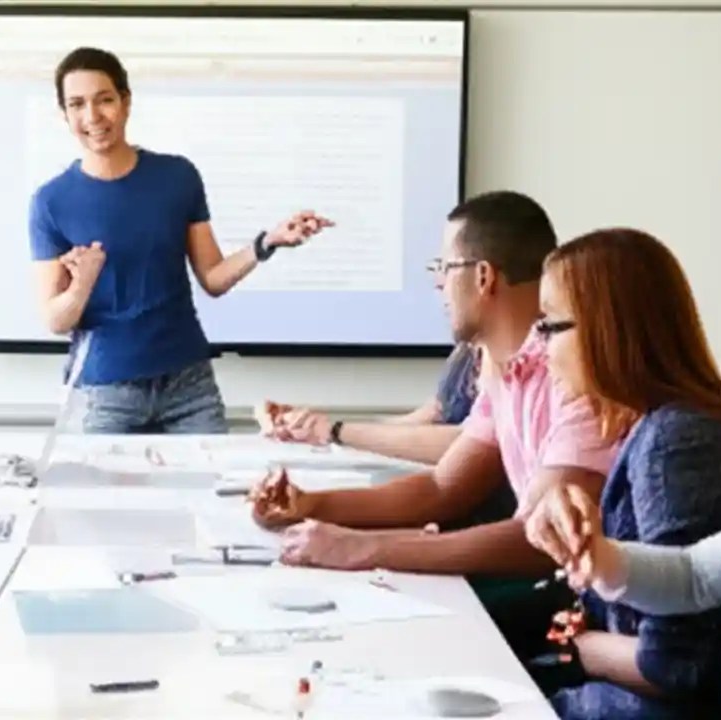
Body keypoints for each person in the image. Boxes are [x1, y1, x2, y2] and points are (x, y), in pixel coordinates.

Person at [249, 190, 618, 579]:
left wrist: (362, 547)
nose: (438, 283)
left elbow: (541, 542)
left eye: (444, 266)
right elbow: (442, 489)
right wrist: (309, 505)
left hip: (570, 594)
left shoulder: (574, 377)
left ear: (483, 276)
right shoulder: (506, 369)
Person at [31, 46, 330, 434]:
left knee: (214, 491)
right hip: (104, 391)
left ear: (125, 102)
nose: (92, 116)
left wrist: (267, 242)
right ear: (64, 114)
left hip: (189, 386)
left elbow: (213, 278)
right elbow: (55, 319)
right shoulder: (51, 201)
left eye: (104, 100)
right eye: (77, 105)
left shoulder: (177, 176)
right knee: (101, 495)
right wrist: (82, 285)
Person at [521, 229, 721, 719]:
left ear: (609, 329)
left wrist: (581, 647)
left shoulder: (677, 441)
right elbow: (694, 575)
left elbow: (677, 664)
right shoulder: (656, 428)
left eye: (549, 326)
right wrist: (596, 556)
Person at [257, 341, 481, 465]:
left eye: (447, 267)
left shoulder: (504, 355)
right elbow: (430, 417)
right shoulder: (468, 350)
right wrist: (320, 425)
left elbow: (471, 442)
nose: (439, 283)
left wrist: (336, 430)